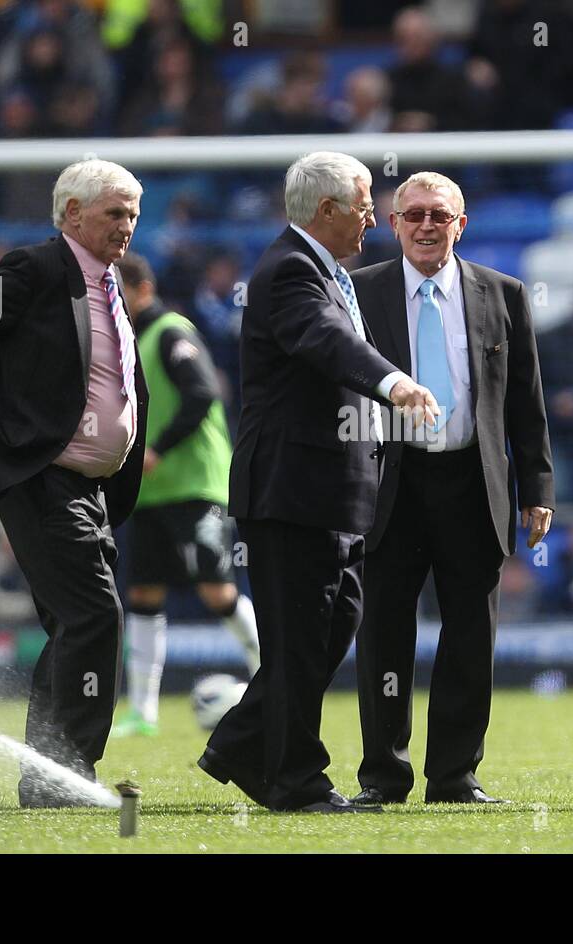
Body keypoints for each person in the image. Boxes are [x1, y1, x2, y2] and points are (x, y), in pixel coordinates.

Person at [197, 151, 439, 814]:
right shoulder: (289, 272)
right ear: (327, 210)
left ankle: (242, 746)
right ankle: (296, 781)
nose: (373, 217)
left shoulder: (325, 270)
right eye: (364, 205)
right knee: (302, 639)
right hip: (294, 490)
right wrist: (393, 382)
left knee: (326, 632)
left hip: (330, 492)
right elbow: (326, 340)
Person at [0, 159, 148, 807]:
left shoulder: (107, 283)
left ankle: (47, 775)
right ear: (72, 213)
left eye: (133, 213)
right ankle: (65, 772)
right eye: (114, 212)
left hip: (88, 487)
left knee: (74, 622)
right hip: (42, 477)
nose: (127, 225)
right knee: (93, 615)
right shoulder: (36, 269)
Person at [347, 171, 554, 806]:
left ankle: (455, 777)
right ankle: (384, 776)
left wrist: (537, 486)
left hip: (473, 481)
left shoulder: (503, 293)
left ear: (460, 224)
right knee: (384, 630)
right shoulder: (358, 293)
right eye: (414, 215)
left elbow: (525, 397)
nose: (427, 226)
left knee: (471, 633)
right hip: (391, 484)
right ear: (394, 224)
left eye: (440, 215)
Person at [109, 251, 259, 739]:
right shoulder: (123, 343)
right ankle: (142, 713)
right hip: (153, 491)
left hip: (198, 483)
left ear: (141, 289)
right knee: (144, 594)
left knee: (215, 587)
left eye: (115, 291)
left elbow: (202, 394)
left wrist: (156, 450)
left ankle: (273, 674)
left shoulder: (171, 331)